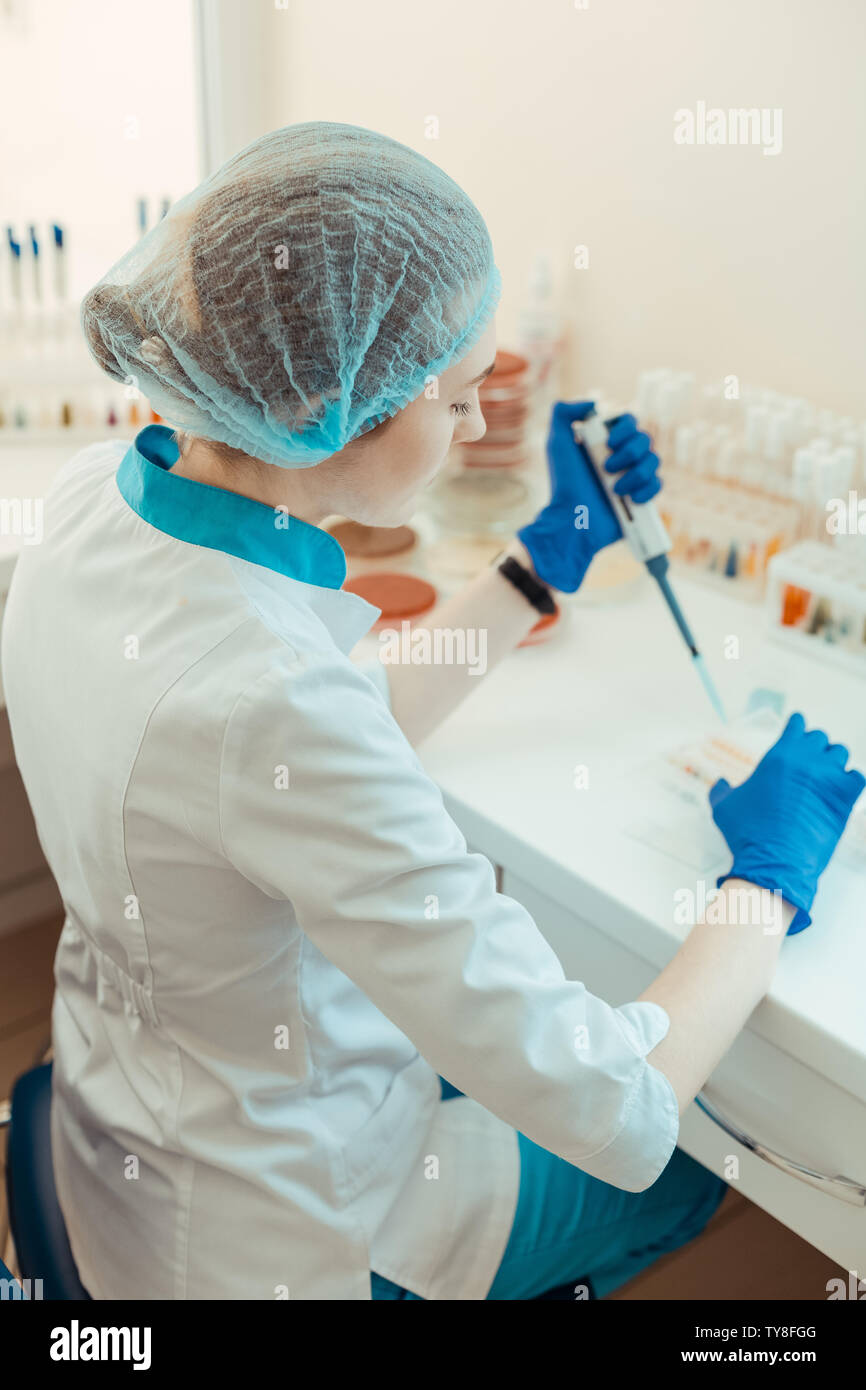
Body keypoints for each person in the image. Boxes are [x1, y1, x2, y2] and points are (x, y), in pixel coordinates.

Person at [2, 122, 862, 1301]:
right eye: (458, 399)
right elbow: (616, 1103)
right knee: (708, 1152)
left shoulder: (98, 496)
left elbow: (298, 742)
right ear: (338, 406)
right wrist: (766, 877)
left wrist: (538, 563)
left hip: (121, 1117)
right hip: (295, 1234)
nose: (472, 430)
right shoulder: (266, 698)